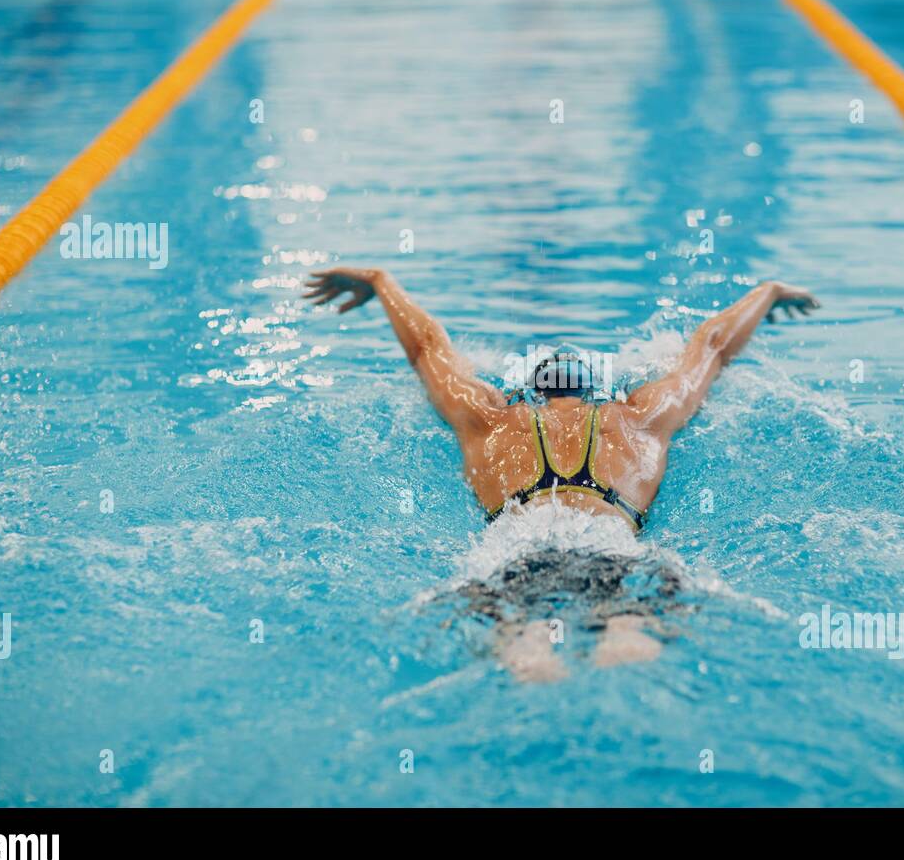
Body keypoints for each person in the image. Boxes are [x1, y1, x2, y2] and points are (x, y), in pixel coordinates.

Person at [304, 266, 820, 679]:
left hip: (515, 546)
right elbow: (711, 346)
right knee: (627, 629)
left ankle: (531, 659)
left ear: (526, 393)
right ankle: (624, 641)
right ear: (599, 392)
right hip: (607, 542)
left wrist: (379, 281)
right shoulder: (638, 416)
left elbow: (427, 349)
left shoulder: (489, 416)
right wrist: (768, 291)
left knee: (523, 643)